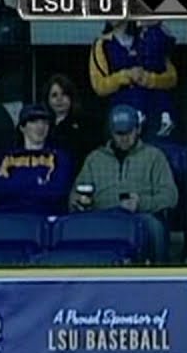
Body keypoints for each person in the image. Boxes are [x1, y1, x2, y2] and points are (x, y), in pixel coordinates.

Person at [70, 105, 179, 263]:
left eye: (128, 132)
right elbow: (76, 193)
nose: (124, 138)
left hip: (139, 216)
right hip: (101, 216)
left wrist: (141, 203)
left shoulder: (154, 156)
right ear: (111, 133)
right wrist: (77, 201)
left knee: (155, 227)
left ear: (138, 129)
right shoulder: (95, 158)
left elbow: (170, 197)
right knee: (75, 225)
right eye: (119, 133)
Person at [89, 20, 179, 139]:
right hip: (121, 114)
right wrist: (126, 76)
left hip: (154, 114)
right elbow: (99, 86)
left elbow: (171, 78)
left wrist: (148, 79)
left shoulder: (149, 39)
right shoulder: (101, 44)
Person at [0, 103, 74, 214]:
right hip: (9, 217)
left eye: (44, 122)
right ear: (22, 127)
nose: (40, 127)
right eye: (34, 122)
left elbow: (57, 191)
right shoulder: (4, 157)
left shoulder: (61, 157)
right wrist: (37, 183)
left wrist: (17, 184)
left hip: (46, 218)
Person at [43, 73, 99, 178]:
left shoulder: (84, 124)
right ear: (48, 100)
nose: (59, 99)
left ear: (71, 97)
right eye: (54, 95)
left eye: (64, 94)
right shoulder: (42, 125)